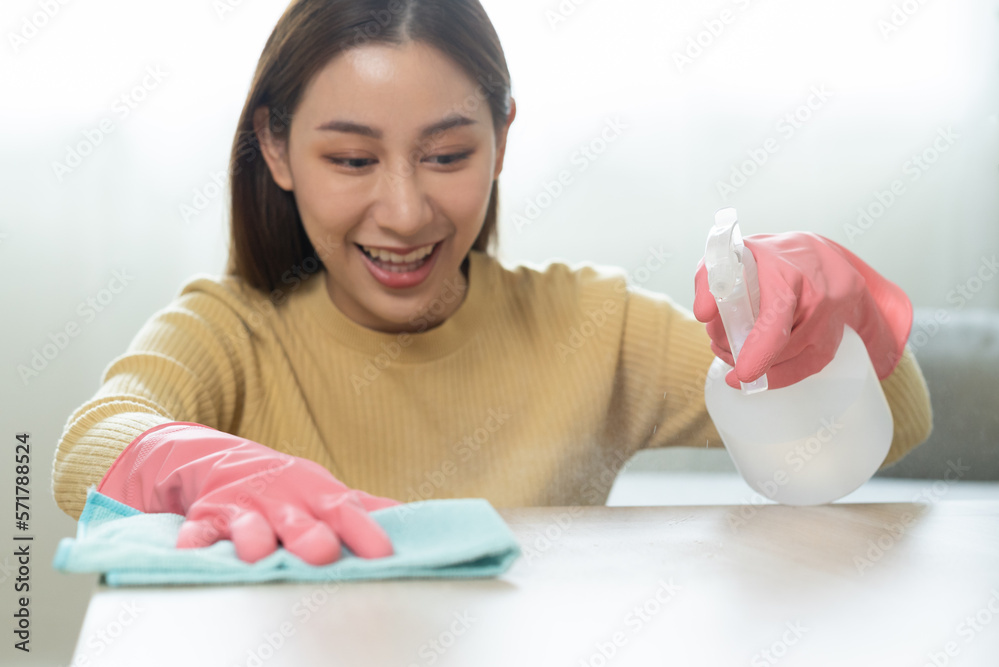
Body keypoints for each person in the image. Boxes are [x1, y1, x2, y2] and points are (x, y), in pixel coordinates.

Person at [51, 0, 932, 567]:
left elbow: (894, 431)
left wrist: (837, 320)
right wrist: (202, 465)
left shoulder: (592, 327)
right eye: (352, 158)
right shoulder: (230, 334)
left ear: (503, 139)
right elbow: (85, 447)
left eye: (447, 155)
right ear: (276, 149)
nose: (402, 211)